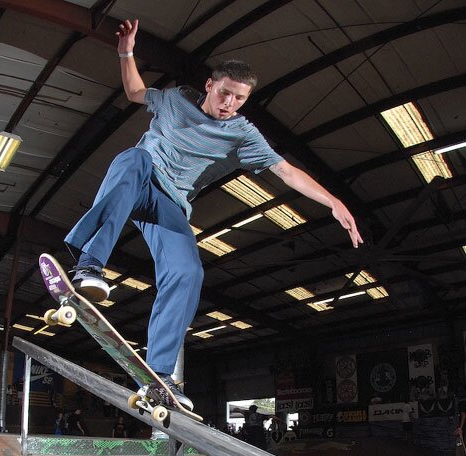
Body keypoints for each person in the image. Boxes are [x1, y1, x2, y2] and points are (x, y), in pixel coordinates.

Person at [64, 19, 362, 411]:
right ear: (210, 85)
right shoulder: (173, 100)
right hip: (138, 178)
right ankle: (89, 265)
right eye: (225, 94)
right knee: (133, 157)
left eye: (239, 99)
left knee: (189, 273)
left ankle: (158, 375)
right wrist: (125, 52)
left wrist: (334, 202)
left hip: (169, 205)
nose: (229, 105)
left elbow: (286, 170)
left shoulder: (242, 133)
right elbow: (135, 90)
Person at [452, 389, 466, 456]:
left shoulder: (462, 404)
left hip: (463, 431)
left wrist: (460, 428)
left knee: (460, 450)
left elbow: (464, 415)